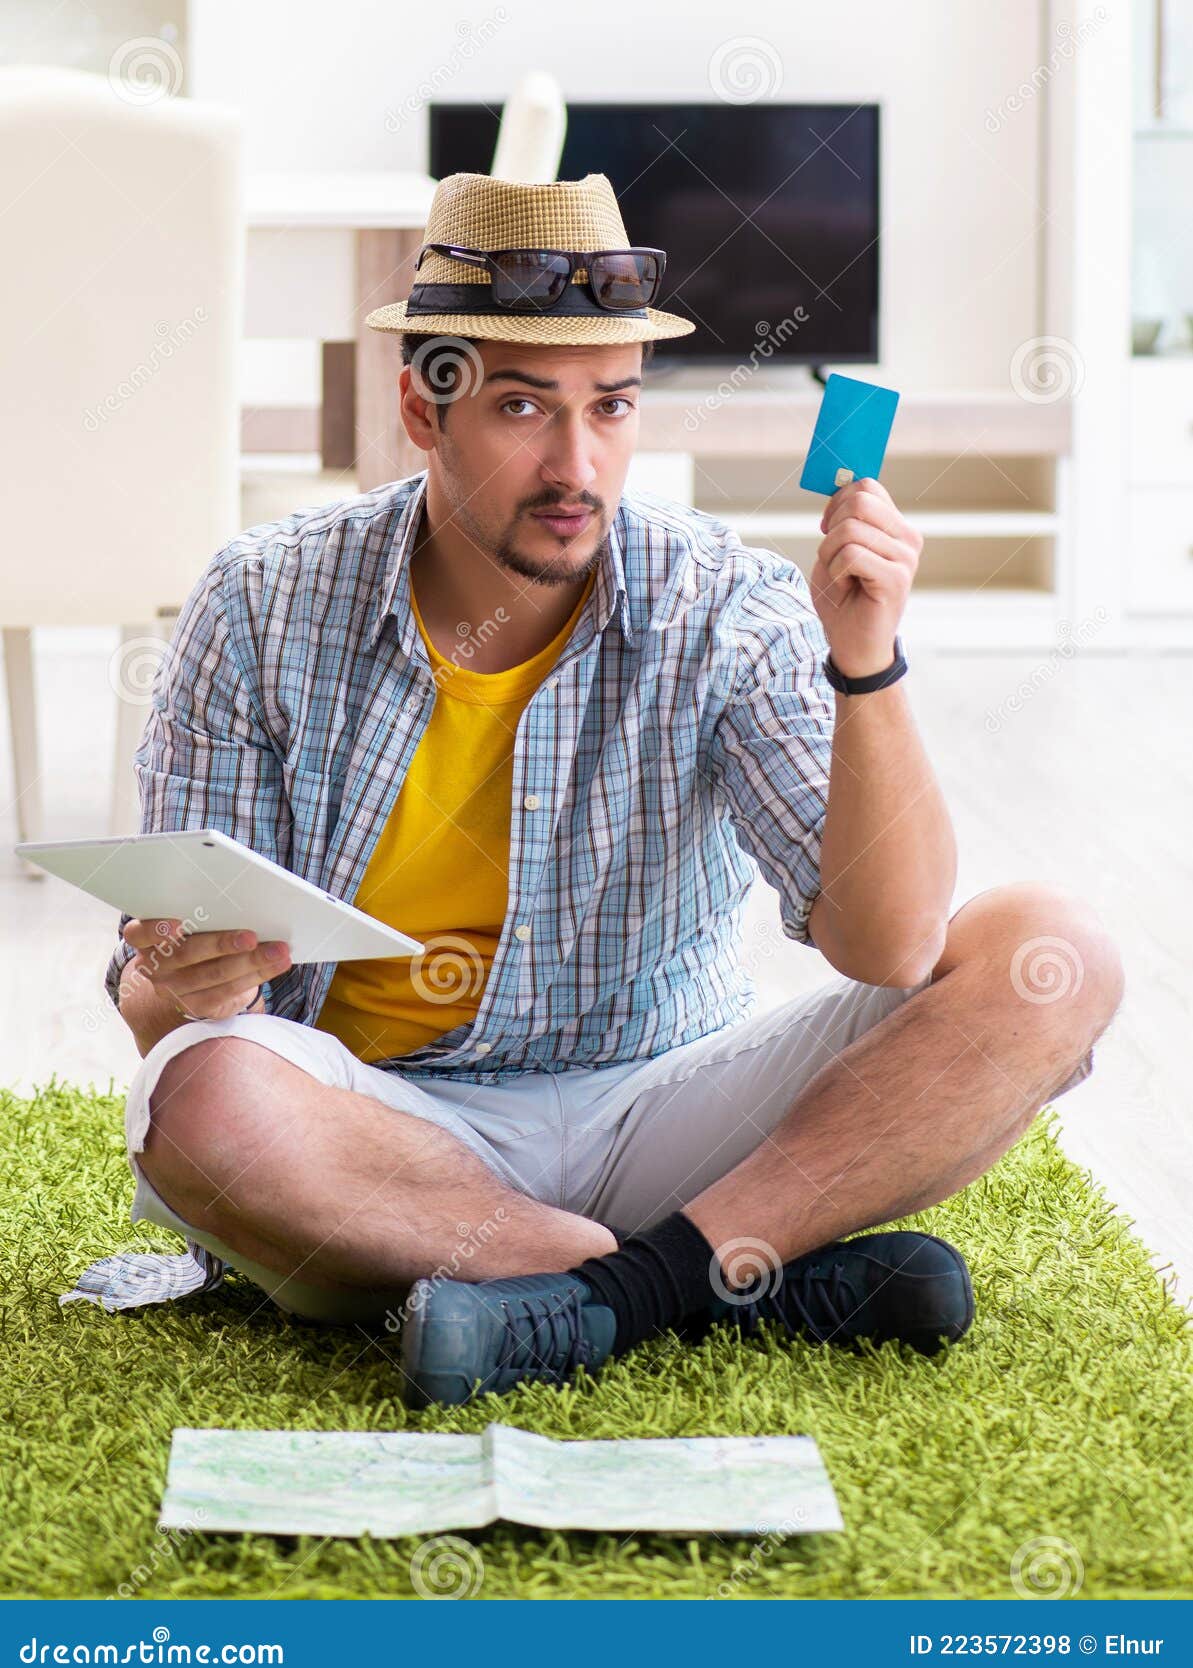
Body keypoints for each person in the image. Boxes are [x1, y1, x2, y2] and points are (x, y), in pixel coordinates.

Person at [98, 172, 1122, 1407]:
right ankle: (729, 1283)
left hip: (666, 1110)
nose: (576, 464)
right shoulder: (260, 604)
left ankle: (579, 1297)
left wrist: (865, 659)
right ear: (425, 409)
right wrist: (176, 981)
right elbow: (175, 1013)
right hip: (378, 1133)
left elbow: (891, 942)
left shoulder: (720, 604)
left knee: (1050, 952)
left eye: (612, 407)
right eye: (523, 407)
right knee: (201, 1095)